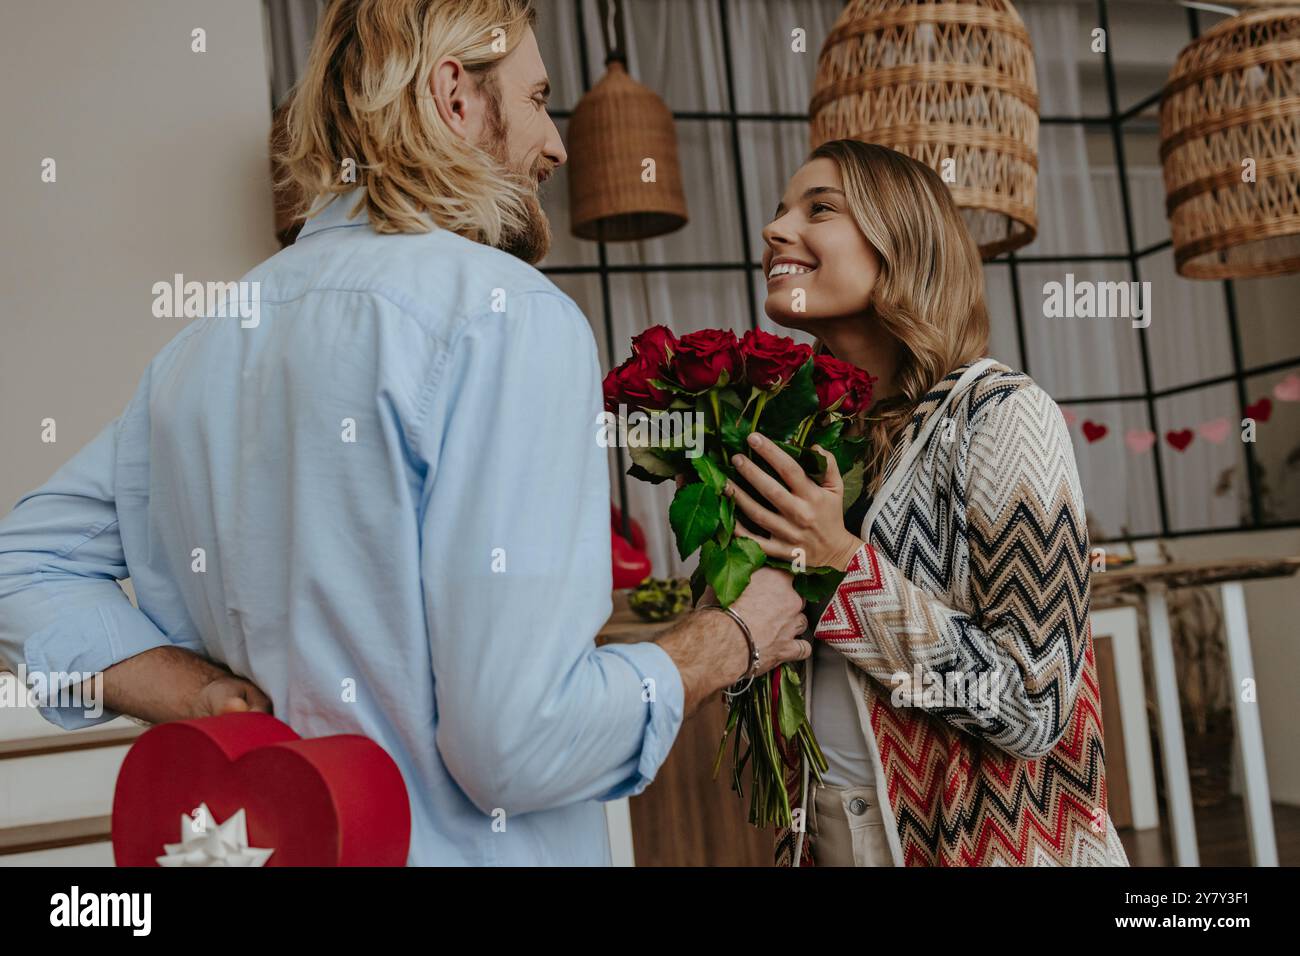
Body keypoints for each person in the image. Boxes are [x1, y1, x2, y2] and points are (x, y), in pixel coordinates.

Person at [0, 0, 810, 866]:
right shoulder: (506, 315)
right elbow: (519, 741)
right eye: (538, 100)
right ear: (454, 96)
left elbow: (20, 565)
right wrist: (723, 641)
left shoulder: (201, 345)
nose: (558, 147)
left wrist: (196, 692)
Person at [731, 139, 1130, 867]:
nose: (775, 229)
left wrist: (842, 565)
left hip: (987, 844)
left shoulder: (1002, 415)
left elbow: (1033, 706)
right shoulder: (808, 434)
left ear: (902, 241)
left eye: (819, 209)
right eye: (779, 210)